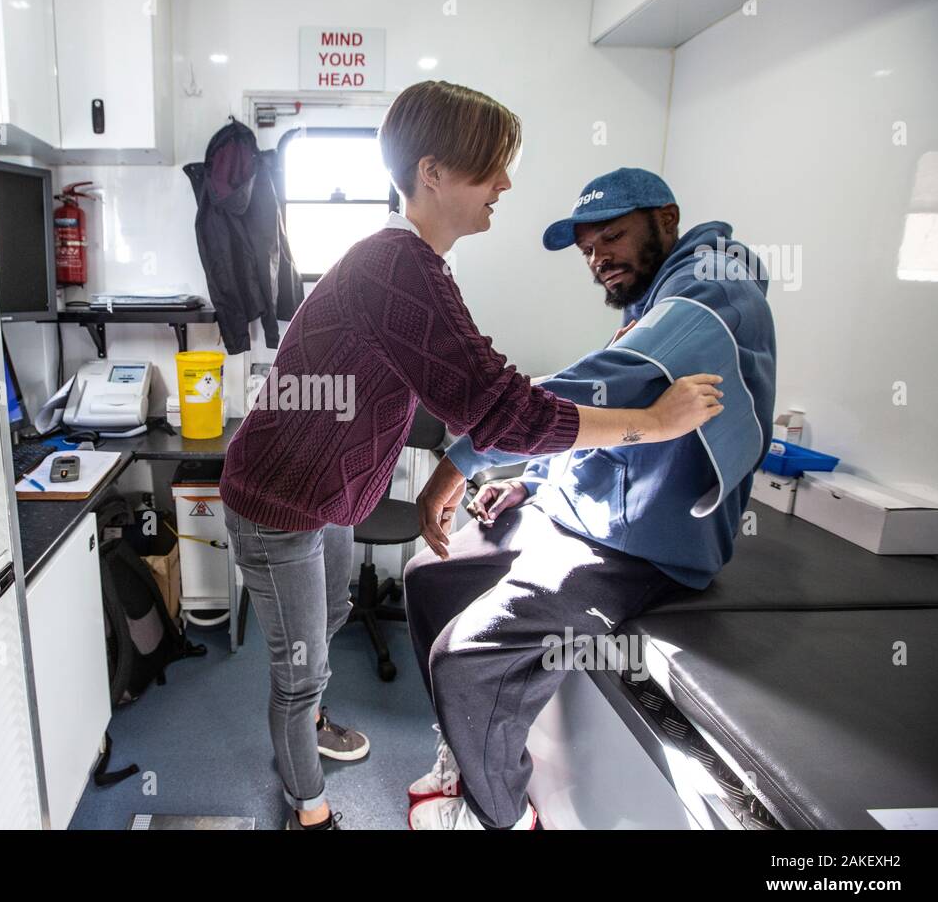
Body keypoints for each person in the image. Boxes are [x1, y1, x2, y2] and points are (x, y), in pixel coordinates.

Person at [218, 88, 725, 830]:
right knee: (298, 671)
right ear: (434, 172)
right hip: (277, 502)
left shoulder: (411, 265)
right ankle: (310, 810)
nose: (506, 186)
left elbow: (483, 396)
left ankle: (309, 724)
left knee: (329, 621)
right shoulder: (398, 269)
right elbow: (505, 408)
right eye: (492, 170)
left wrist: (456, 472)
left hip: (323, 498)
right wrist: (650, 420)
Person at [404, 167, 777, 831]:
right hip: (579, 513)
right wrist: (532, 482)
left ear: (667, 218)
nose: (600, 258)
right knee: (428, 575)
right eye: (589, 250)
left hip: (640, 547)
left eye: (613, 236)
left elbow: (603, 387)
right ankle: (467, 750)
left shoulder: (714, 290)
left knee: (465, 659)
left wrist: (465, 456)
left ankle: (501, 815)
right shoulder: (655, 299)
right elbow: (612, 431)